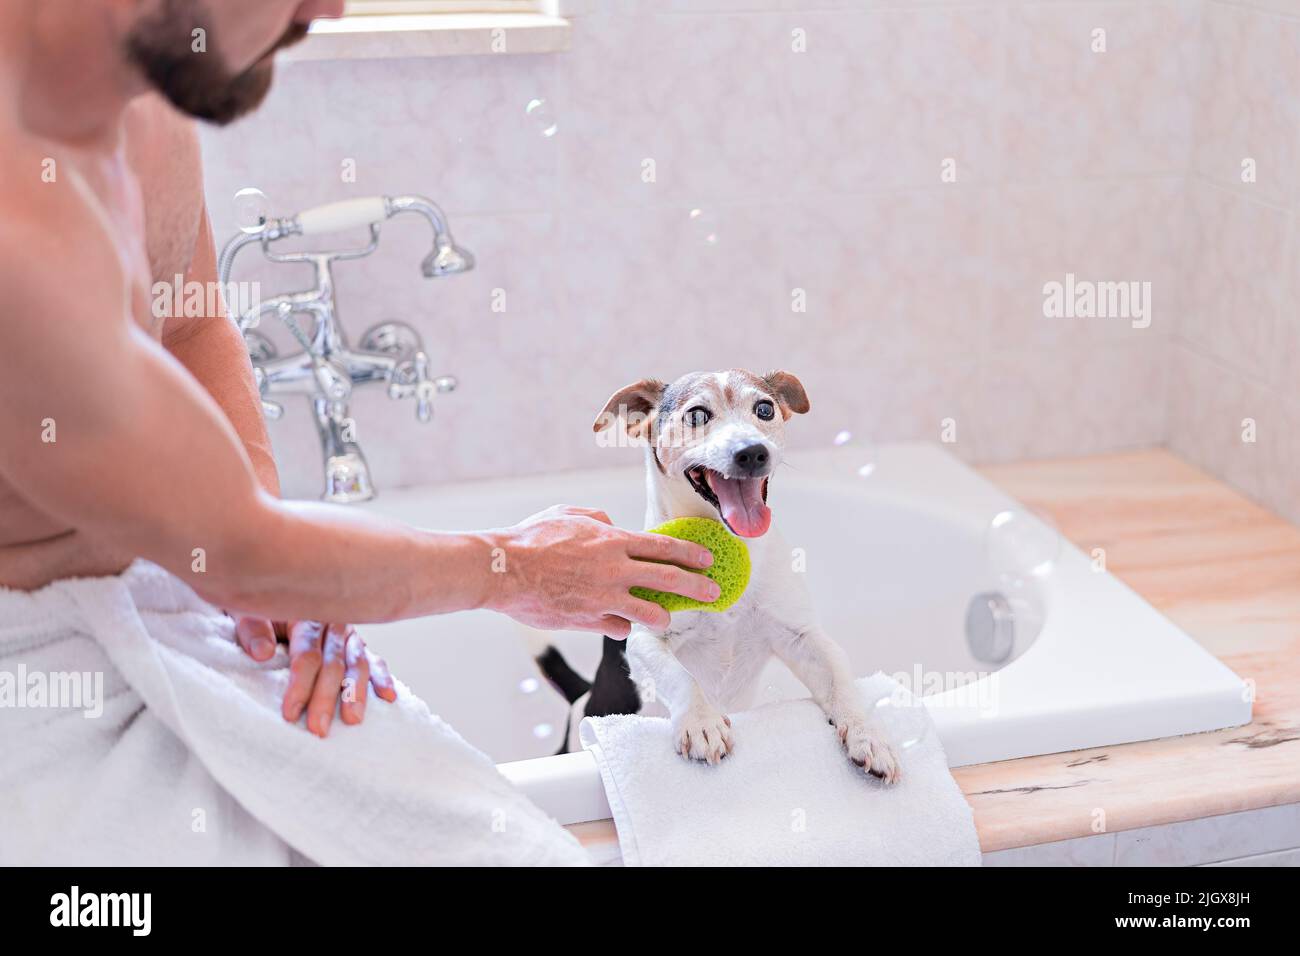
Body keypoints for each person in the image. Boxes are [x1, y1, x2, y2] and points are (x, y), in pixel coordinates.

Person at [0, 0, 721, 737]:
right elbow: (236, 545)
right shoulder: (21, 219)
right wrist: (521, 569)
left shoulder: (138, 92)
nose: (331, 6)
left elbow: (188, 320)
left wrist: (279, 574)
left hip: (160, 602)